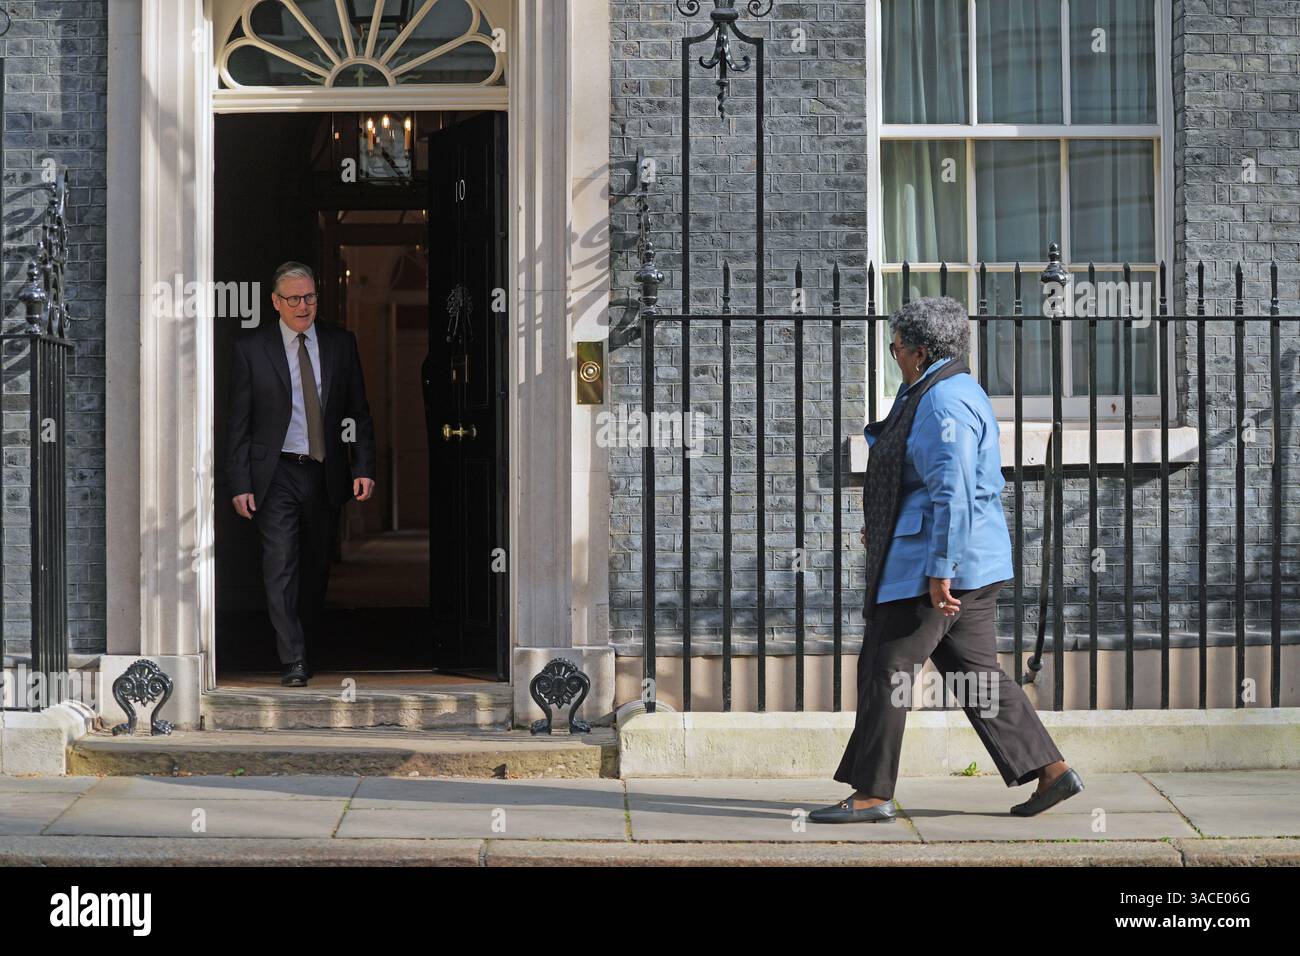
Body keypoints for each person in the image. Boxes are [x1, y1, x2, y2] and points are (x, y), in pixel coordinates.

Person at [809, 296, 1083, 823]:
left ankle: (870, 794)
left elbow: (952, 491)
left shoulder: (941, 403)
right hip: (967, 562)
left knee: (887, 668)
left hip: (935, 570)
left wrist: (940, 570)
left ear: (918, 350)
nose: (892, 352)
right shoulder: (950, 390)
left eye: (895, 345)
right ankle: (1051, 772)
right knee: (974, 674)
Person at [226, 261, 377, 686]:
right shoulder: (251, 350)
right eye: (293, 298)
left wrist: (363, 466)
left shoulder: (339, 344)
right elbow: (238, 422)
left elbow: (358, 412)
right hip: (275, 475)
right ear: (276, 303)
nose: (303, 305)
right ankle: (291, 658)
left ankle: (308, 641)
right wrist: (239, 482)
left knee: (315, 567)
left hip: (325, 471)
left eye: (309, 296)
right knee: (280, 564)